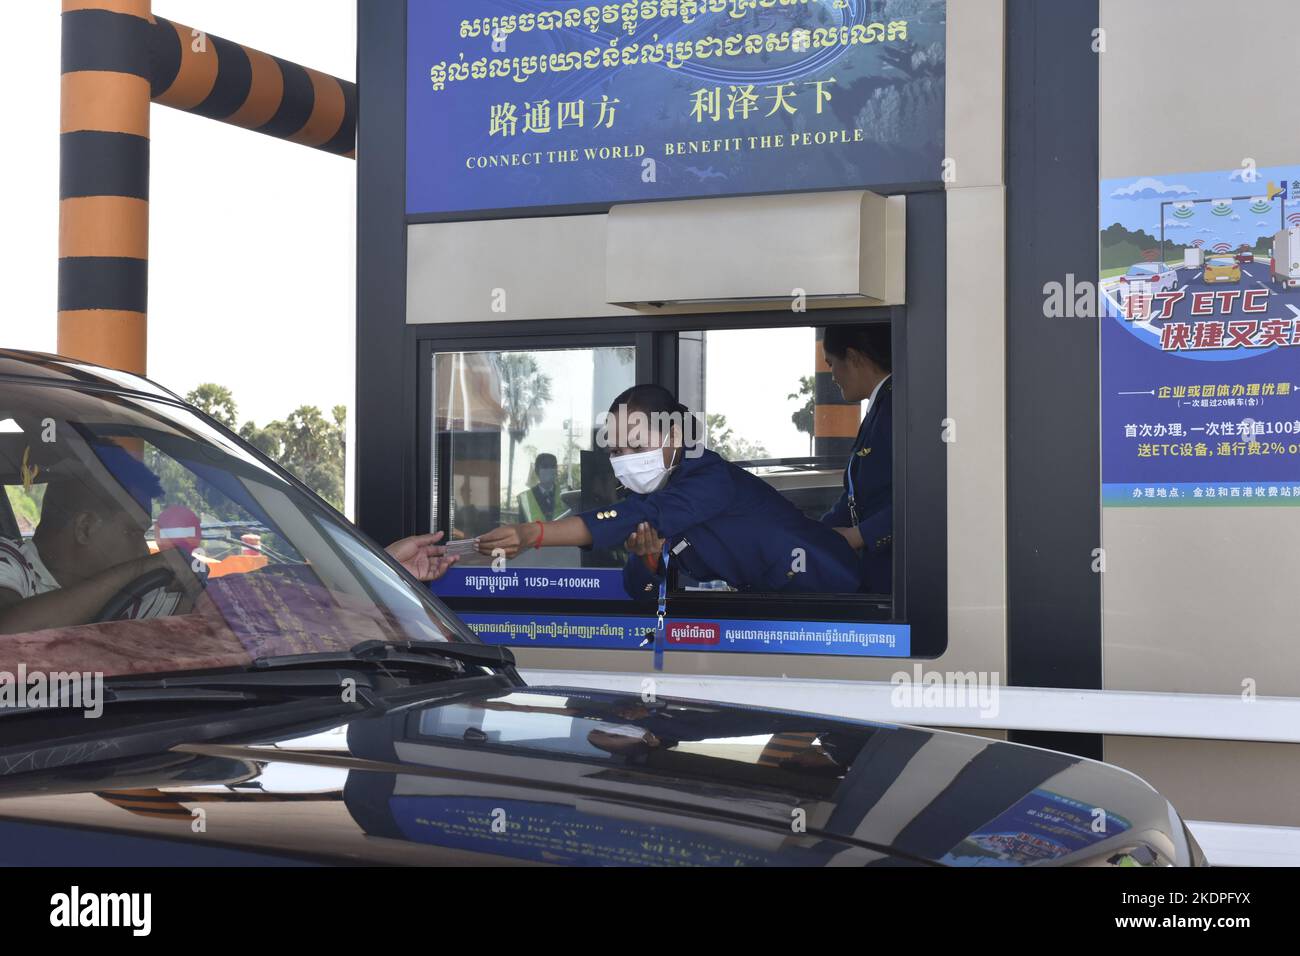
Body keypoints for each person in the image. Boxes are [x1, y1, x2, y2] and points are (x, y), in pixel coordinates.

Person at [477, 384, 860, 599]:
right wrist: (647, 560)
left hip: (834, 599)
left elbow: (634, 518)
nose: (626, 460)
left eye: (638, 446)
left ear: (675, 435)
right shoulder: (651, 500)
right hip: (775, 608)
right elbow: (640, 591)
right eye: (616, 451)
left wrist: (534, 533)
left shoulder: (709, 480)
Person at [0, 452, 199, 635]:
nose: (144, 551)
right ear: (85, 528)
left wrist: (197, 583)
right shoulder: (9, 560)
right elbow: (8, 634)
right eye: (133, 533)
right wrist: (136, 570)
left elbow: (211, 617)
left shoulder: (136, 592)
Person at [820, 324, 893, 594]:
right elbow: (857, 498)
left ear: (853, 358)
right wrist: (809, 535)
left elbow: (924, 496)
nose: (833, 376)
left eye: (831, 364)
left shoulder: (894, 409)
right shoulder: (883, 405)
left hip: (893, 577)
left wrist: (858, 535)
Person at [516, 452, 569, 522]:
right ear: (537, 470)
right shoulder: (525, 499)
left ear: (556, 470)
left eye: (553, 466)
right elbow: (522, 528)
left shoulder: (567, 493)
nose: (549, 469)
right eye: (545, 466)